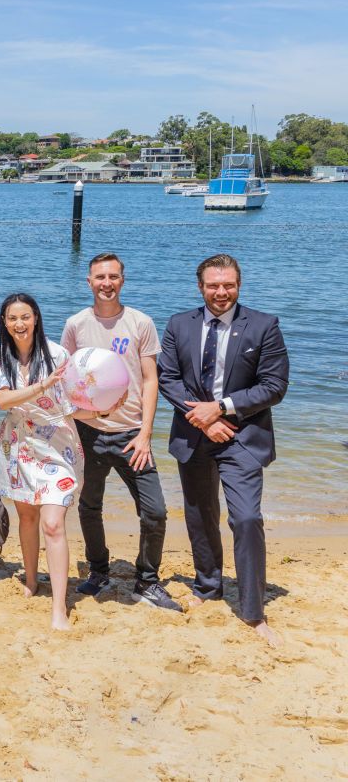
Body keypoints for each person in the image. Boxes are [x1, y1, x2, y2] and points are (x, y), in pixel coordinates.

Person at [157, 254, 289, 646]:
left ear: (239, 285)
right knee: (199, 515)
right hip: (194, 434)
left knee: (246, 518)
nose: (221, 292)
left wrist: (223, 409)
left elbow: (274, 386)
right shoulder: (179, 324)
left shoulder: (264, 326)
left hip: (242, 437)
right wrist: (204, 418)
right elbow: (168, 378)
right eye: (213, 285)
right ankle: (208, 585)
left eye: (228, 285)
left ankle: (253, 611)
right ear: (200, 287)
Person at [0, 293, 116, 630]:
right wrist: (42, 385)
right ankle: (31, 580)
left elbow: (73, 404)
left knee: (53, 523)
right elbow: (2, 400)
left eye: (25, 317)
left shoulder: (58, 354)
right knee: (27, 517)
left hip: (58, 446)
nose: (19, 324)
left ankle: (59, 606)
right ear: (4, 322)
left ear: (36, 318)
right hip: (17, 444)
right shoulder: (0, 355)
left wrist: (103, 409)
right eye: (13, 318)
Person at [62, 252, 179, 611]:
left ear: (122, 280)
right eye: (100, 277)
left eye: (113, 277)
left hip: (131, 434)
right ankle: (98, 572)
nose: (106, 283)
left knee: (155, 511)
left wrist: (145, 434)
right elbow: (65, 379)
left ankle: (147, 581)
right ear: (89, 282)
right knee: (88, 506)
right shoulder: (76, 325)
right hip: (89, 432)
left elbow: (150, 380)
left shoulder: (140, 323)